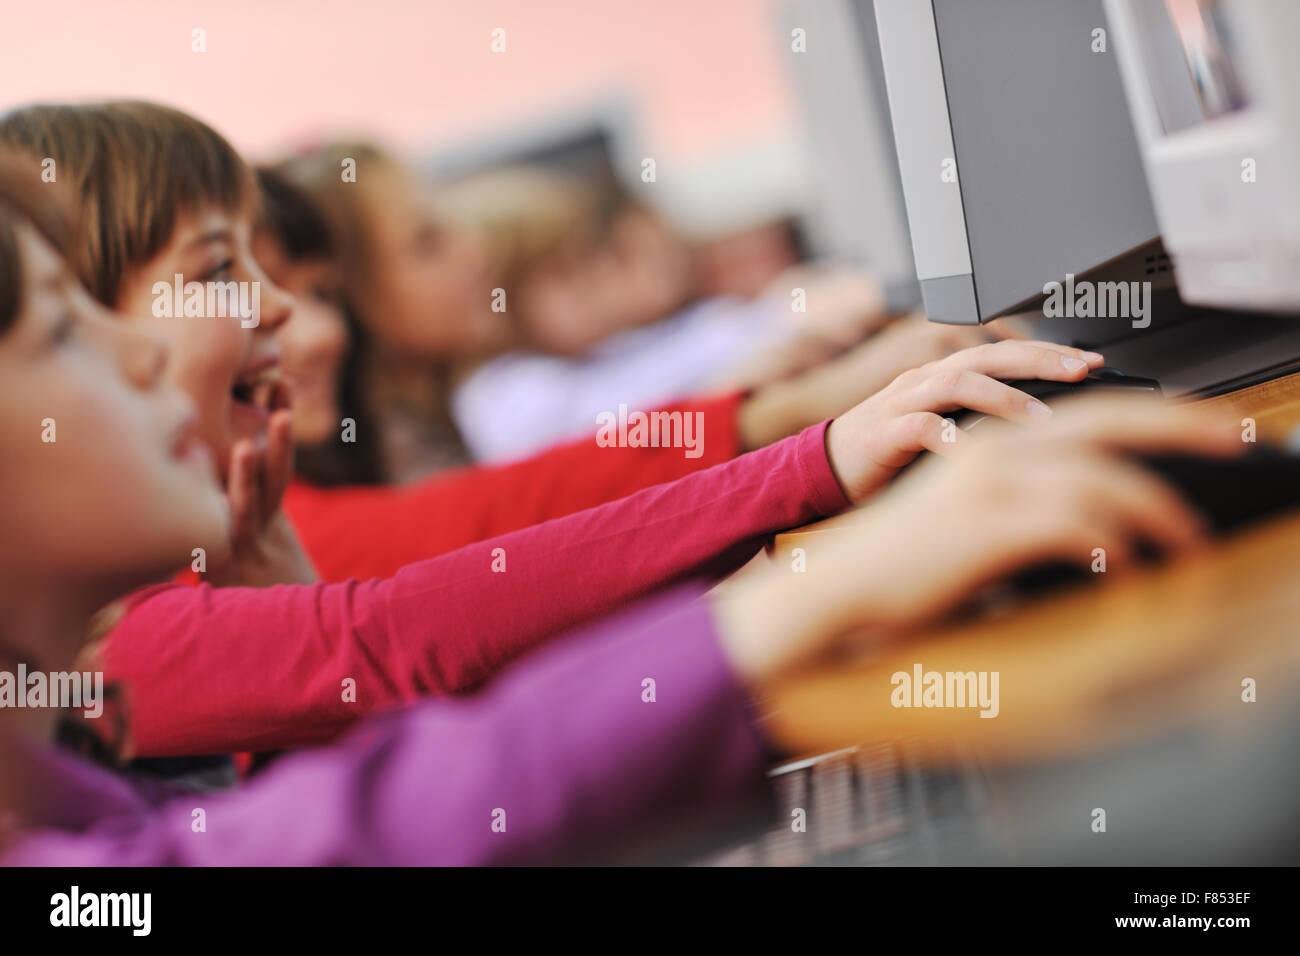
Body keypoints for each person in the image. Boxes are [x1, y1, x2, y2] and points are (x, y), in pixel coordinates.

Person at [0, 159, 1241, 864]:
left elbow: (351, 758)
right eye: (66, 325)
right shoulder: (123, 677)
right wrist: (806, 502)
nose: (301, 319)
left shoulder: (86, 788)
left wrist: (815, 461)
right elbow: (382, 654)